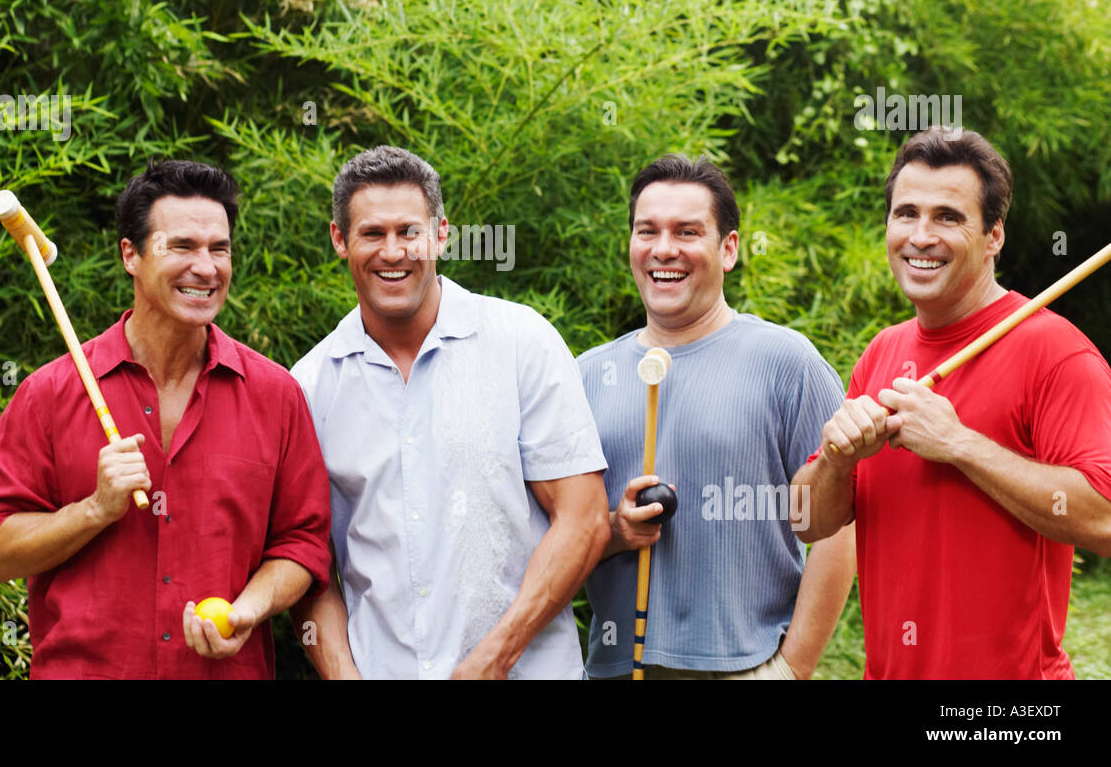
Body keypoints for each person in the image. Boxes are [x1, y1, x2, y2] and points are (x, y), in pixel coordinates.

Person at [0, 159, 332, 678]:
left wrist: (247, 610)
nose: (206, 267)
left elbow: (302, 543)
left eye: (219, 249)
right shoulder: (49, 392)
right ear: (131, 255)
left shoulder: (276, 395)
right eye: (182, 247)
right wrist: (94, 509)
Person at [792, 127, 1111, 678]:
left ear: (993, 237)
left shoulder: (1056, 352)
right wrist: (837, 459)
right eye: (906, 213)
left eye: (948, 217)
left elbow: (1104, 519)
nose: (921, 236)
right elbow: (806, 521)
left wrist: (959, 444)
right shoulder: (883, 352)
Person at [289, 146, 610, 679]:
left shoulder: (520, 341)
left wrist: (493, 660)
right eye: (372, 233)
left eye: (409, 231)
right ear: (339, 240)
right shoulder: (309, 385)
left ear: (440, 235)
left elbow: (584, 519)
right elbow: (306, 561)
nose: (393, 251)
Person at [578, 154, 856, 679]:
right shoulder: (585, 376)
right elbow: (555, 536)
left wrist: (792, 668)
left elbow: (841, 526)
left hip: (749, 666)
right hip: (617, 667)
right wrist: (615, 531)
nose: (664, 250)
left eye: (687, 232)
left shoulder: (787, 363)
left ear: (728, 249)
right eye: (647, 231)